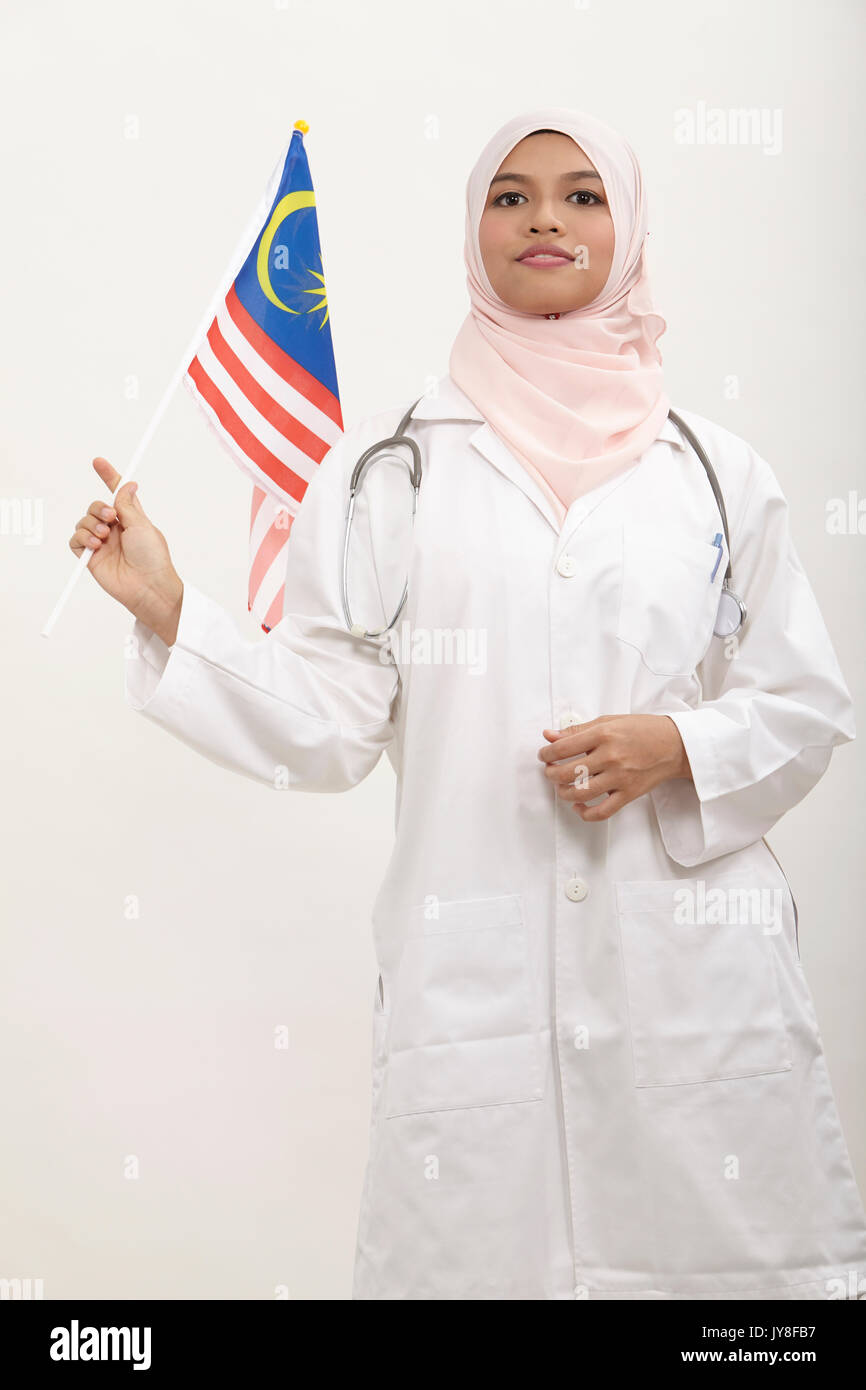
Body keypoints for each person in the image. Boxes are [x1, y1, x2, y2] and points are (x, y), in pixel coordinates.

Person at [69, 107, 866, 1301]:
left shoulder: (710, 468)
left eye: (581, 194)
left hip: (687, 982)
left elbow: (805, 701)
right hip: (474, 990)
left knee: (721, 1296)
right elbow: (336, 719)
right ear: (474, 230)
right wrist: (179, 613)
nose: (544, 216)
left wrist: (679, 747)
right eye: (511, 195)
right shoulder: (396, 467)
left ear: (628, 227)